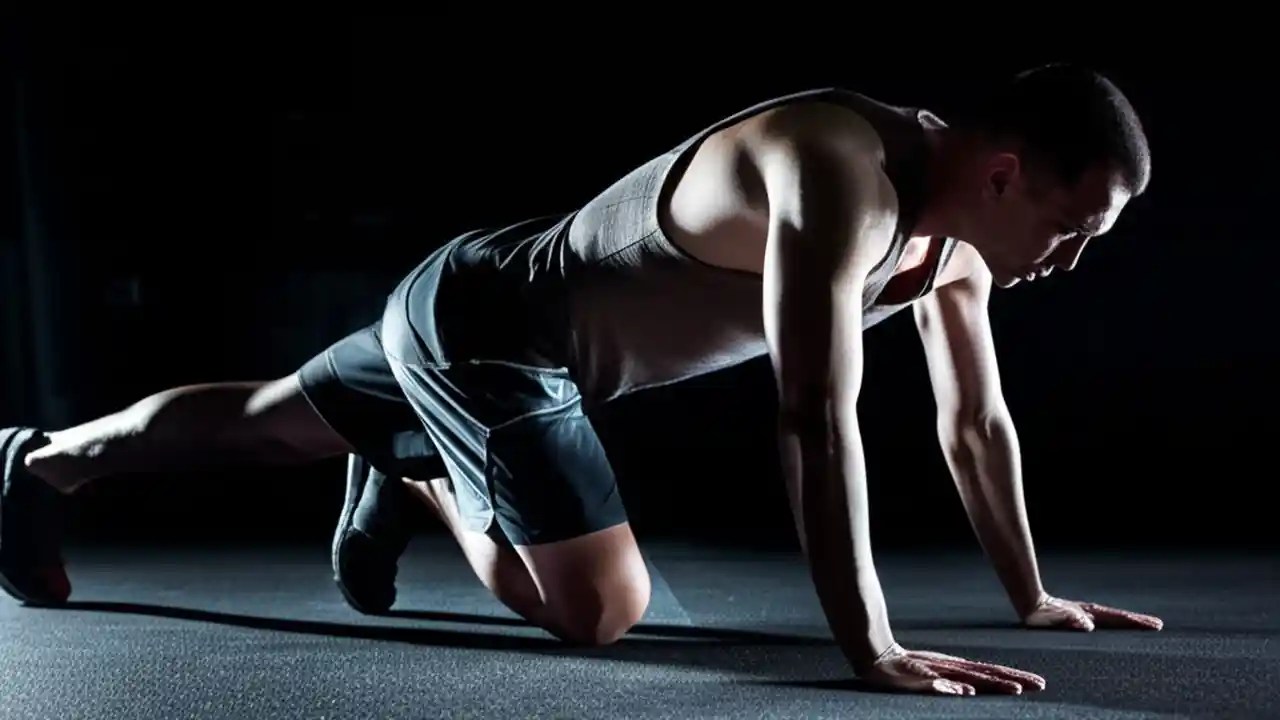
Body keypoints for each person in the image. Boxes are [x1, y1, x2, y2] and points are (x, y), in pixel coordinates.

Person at [0, 63, 1164, 697]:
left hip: (482, 319)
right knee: (602, 613)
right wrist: (870, 647)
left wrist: (1029, 596)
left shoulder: (952, 255)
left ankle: (39, 459)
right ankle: (418, 471)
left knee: (268, 423)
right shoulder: (838, 170)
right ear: (1003, 172)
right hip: (490, 330)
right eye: (1071, 229)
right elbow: (813, 414)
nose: (1065, 262)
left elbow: (975, 424)